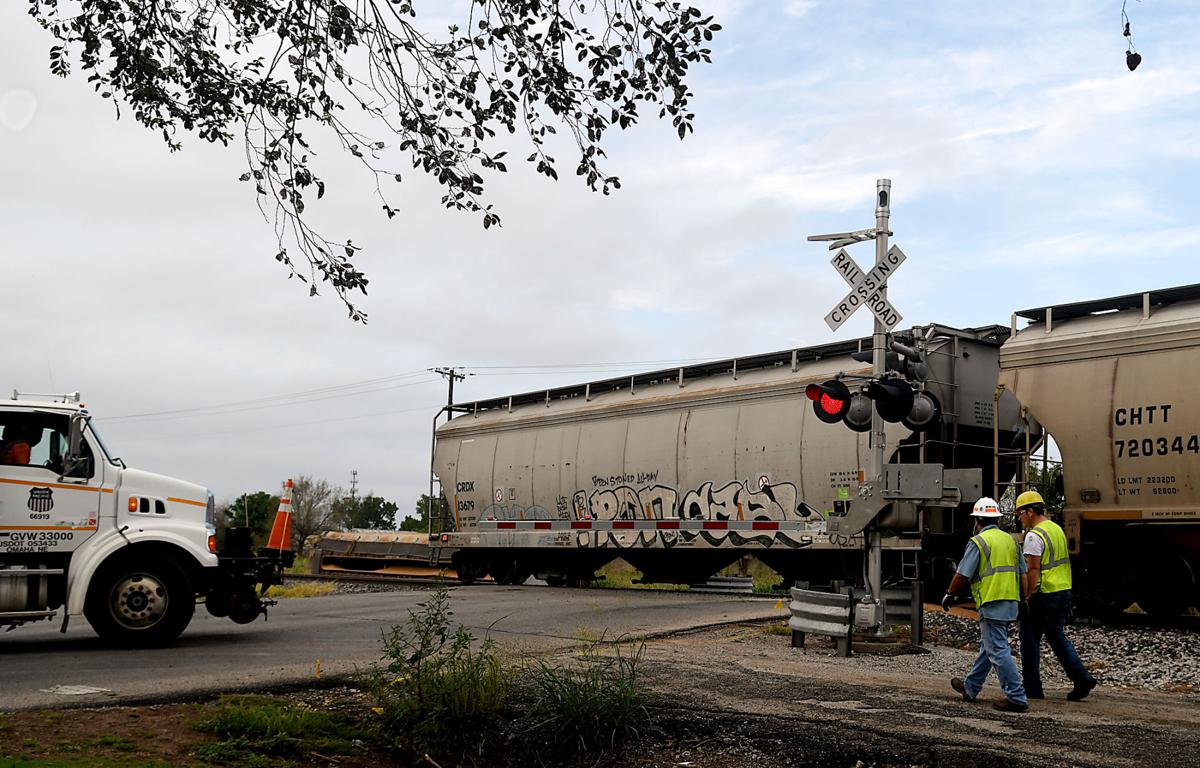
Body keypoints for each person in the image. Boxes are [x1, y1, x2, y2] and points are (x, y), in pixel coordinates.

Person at [942, 496, 1029, 712]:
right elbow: (1023, 573)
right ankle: (971, 688)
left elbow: (963, 573)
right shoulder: (1010, 540)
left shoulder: (979, 542)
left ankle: (1017, 696)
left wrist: (950, 593)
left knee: (998, 650)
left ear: (977, 520)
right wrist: (1024, 598)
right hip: (1010, 602)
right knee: (988, 647)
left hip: (991, 601)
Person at [1016, 490, 1097, 701]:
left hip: (1043, 595)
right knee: (1057, 637)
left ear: (1031, 511)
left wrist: (1026, 596)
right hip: (1062, 592)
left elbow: (1033, 570)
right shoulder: (1056, 529)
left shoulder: (1034, 536)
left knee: (1029, 640)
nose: (1019, 518)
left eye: (1020, 513)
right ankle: (1081, 678)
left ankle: (1032, 687)